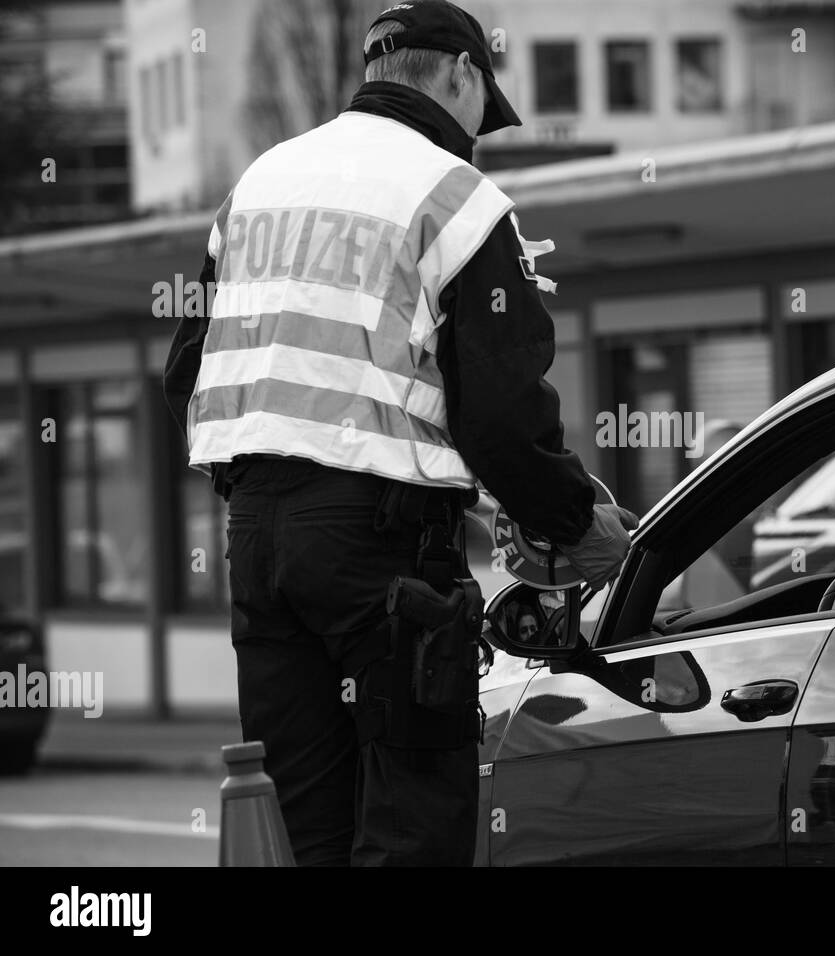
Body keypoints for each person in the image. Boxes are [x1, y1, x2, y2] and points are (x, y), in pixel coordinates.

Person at [161, 0, 636, 866]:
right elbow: (500, 410)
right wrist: (569, 523)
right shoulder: (455, 197)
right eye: (480, 110)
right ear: (460, 74)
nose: (475, 136)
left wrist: (266, 485)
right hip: (383, 554)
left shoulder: (259, 184)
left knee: (305, 823)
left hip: (257, 545)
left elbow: (186, 378)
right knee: (414, 815)